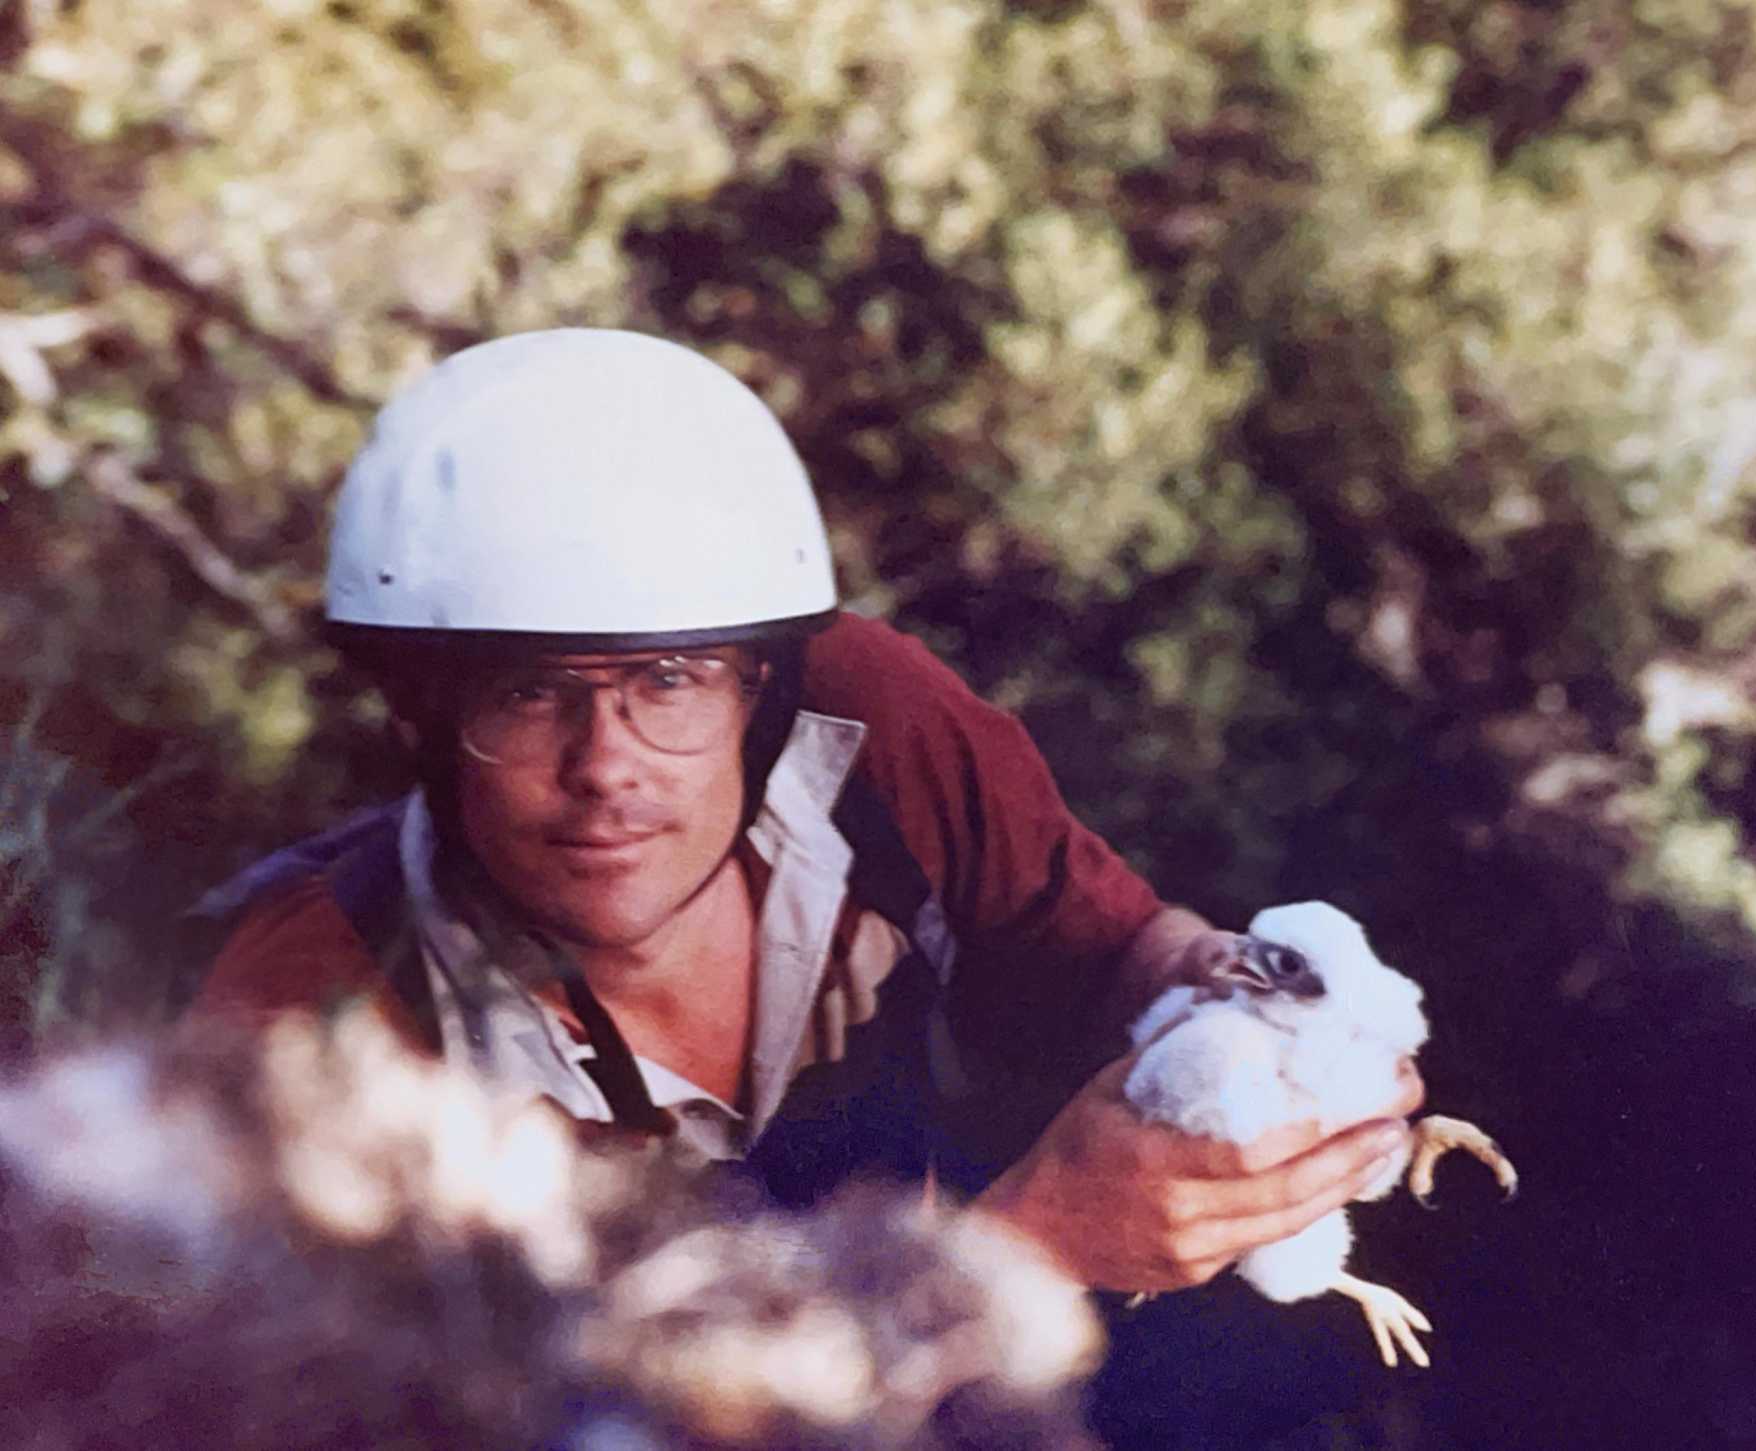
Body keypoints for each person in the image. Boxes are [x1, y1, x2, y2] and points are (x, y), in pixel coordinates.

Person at [190, 328, 1422, 1445]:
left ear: (761, 687)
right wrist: (1027, 1249)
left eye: (668, 680)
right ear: (419, 712)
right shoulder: (307, 1033)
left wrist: (1248, 1013)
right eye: (525, 690)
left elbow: (1106, 945)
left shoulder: (867, 735)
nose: (606, 766)